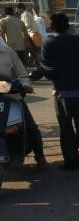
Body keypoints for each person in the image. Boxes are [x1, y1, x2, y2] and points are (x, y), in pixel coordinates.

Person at [40, 12, 79, 170]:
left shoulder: (49, 44)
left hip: (62, 93)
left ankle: (71, 161)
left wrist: (58, 76)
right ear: (68, 25)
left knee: (66, 128)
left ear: (51, 27)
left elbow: (47, 70)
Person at [0, 34, 48, 168]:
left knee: (30, 126)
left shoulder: (8, 52)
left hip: (10, 96)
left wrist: (25, 84)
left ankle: (40, 157)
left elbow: (22, 73)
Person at [17, 3, 43, 80]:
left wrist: (19, 28)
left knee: (35, 54)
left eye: (18, 9)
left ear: (21, 9)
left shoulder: (25, 14)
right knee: (35, 54)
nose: (17, 11)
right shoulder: (25, 14)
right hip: (32, 35)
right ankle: (39, 70)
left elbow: (27, 25)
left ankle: (39, 70)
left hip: (32, 36)